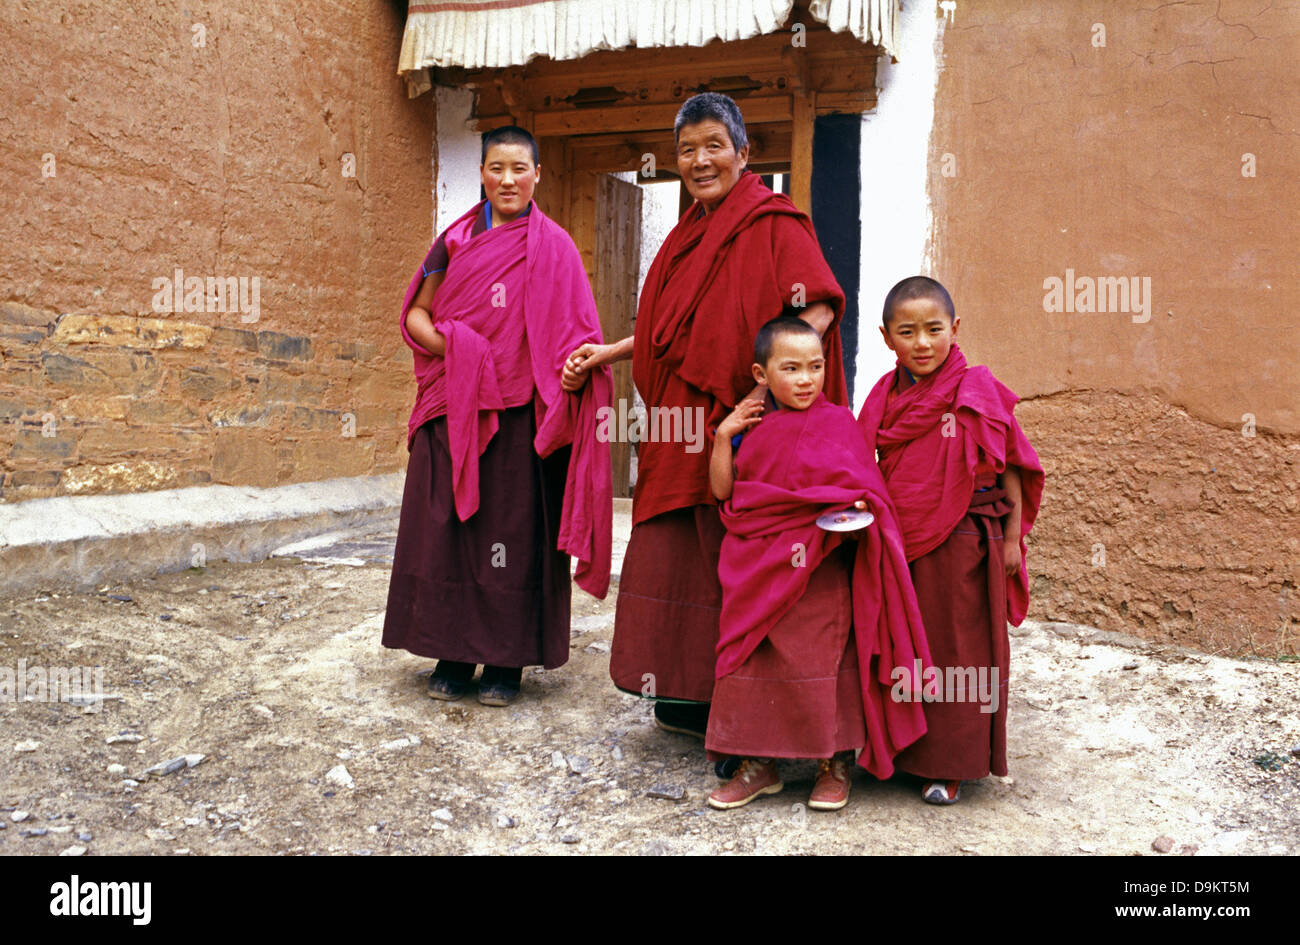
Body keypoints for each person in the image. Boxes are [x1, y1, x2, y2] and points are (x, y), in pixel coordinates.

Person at [561, 92, 847, 742]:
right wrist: (606, 351)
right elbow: (671, 330)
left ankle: (738, 698)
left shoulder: (775, 222)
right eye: (687, 149)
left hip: (738, 428)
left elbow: (820, 306)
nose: (700, 159)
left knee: (734, 557)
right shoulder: (685, 235)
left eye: (714, 144)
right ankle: (683, 691)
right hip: (675, 431)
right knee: (672, 556)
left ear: (744, 152)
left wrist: (775, 385)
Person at [382, 125, 613, 707]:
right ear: (481, 174)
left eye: (519, 168)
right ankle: (453, 654)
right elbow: (417, 314)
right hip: (455, 401)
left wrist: (577, 373)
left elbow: (578, 330)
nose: (507, 180)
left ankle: (508, 662)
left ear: (538, 174)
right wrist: (457, 351)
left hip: (521, 413)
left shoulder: (554, 246)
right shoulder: (456, 240)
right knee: (450, 530)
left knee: (512, 532)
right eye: (495, 168)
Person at [703, 316, 931, 810]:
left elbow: (866, 490)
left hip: (823, 566)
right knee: (753, 656)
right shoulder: (749, 424)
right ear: (761, 374)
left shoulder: (838, 424)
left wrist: (863, 507)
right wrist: (722, 437)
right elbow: (724, 493)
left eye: (816, 366)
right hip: (756, 565)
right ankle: (759, 764)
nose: (806, 379)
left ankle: (836, 761)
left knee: (828, 658)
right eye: (791, 368)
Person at [858, 276, 1044, 804]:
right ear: (886, 337)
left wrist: (1013, 539)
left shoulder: (976, 388)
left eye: (934, 330)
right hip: (898, 541)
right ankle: (898, 751)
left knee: (958, 649)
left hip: (964, 539)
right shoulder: (884, 395)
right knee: (897, 639)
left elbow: (1012, 464)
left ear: (954, 329)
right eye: (907, 332)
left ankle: (951, 763)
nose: (922, 343)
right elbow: (860, 461)